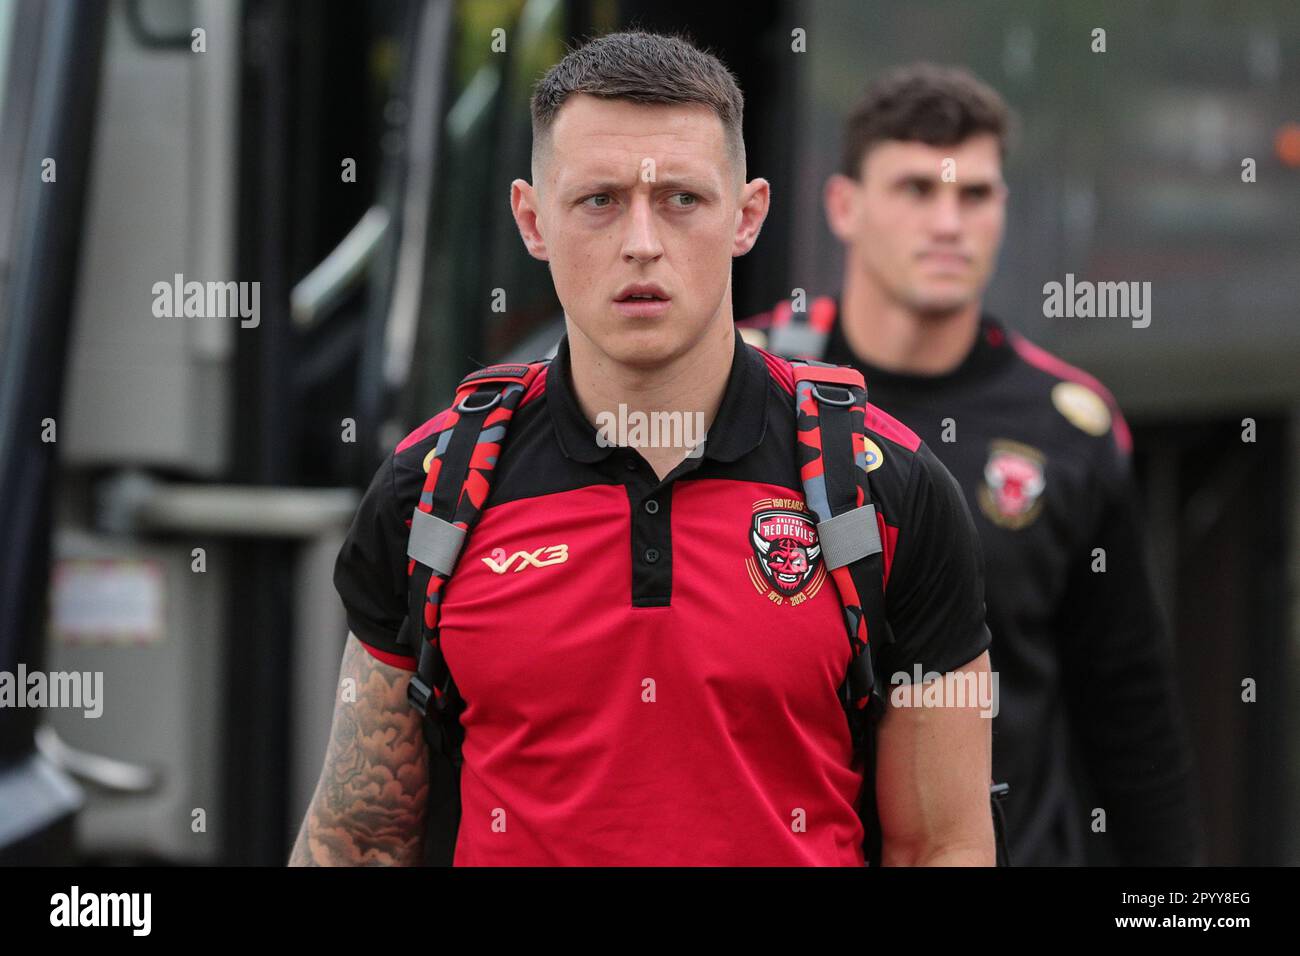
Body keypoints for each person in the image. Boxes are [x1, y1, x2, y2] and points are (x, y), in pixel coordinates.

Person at [290, 33, 994, 867]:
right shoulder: (433, 490)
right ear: (532, 218)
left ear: (748, 214)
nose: (641, 243)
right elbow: (358, 839)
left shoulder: (889, 489)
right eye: (598, 200)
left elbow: (943, 846)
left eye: (682, 200)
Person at [739, 63, 1202, 865]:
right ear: (845, 206)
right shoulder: (748, 388)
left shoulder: (1070, 429)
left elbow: (1127, 708)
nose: (949, 222)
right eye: (917, 190)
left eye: (975, 194)